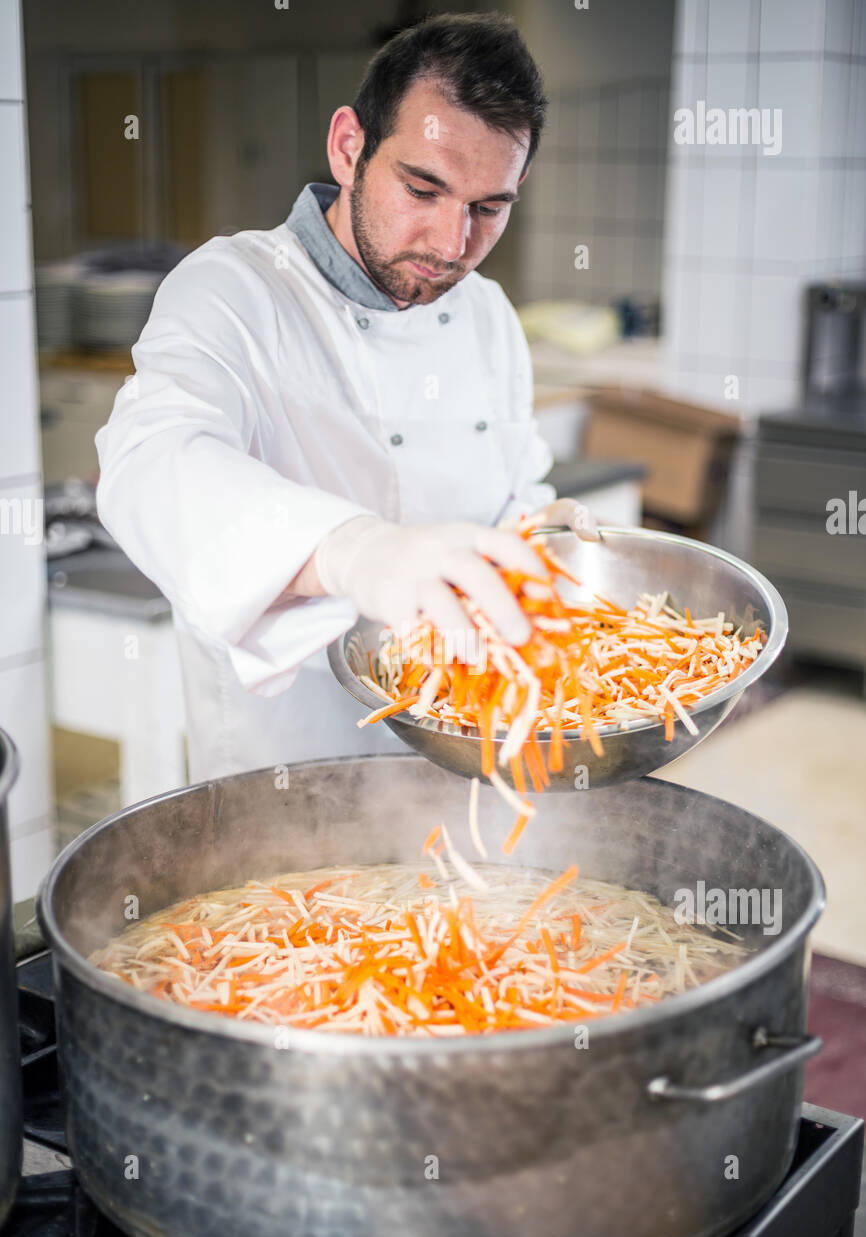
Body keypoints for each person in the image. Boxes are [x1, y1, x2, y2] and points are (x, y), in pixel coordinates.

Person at [95, 12, 596, 782]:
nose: (449, 242)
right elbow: (149, 463)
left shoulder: (488, 315)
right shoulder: (233, 290)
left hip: (464, 771)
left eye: (487, 208)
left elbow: (504, 497)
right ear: (349, 146)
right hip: (288, 778)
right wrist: (358, 551)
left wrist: (534, 535)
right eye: (423, 187)